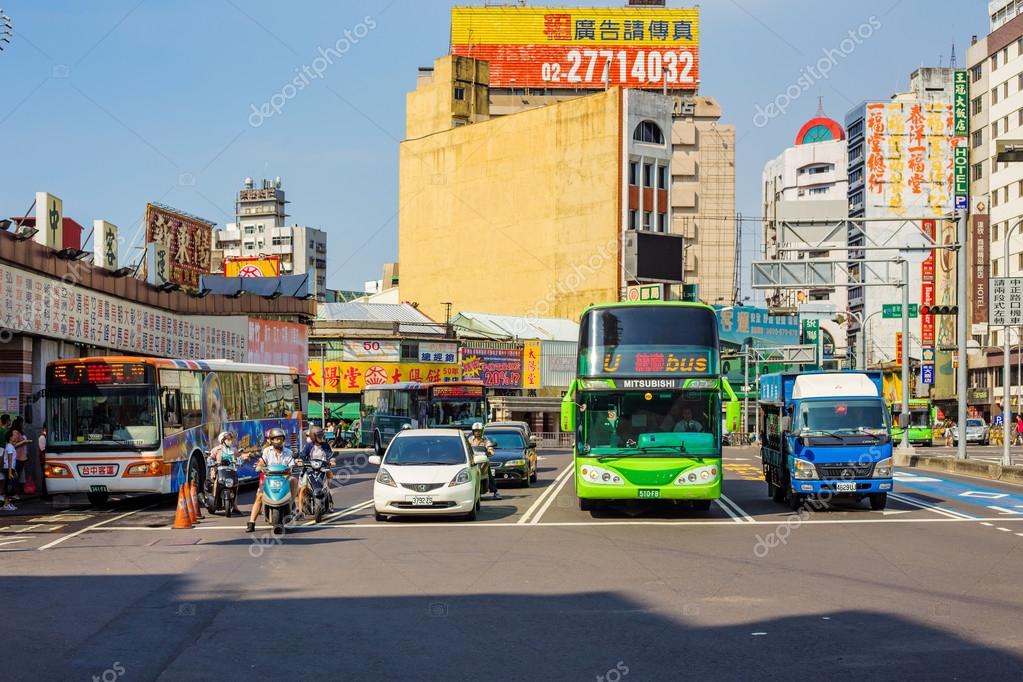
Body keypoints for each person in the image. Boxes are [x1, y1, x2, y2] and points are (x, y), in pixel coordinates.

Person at [246, 428, 298, 533]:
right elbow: (261, 462)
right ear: (271, 440)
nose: (278, 441)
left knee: (294, 480)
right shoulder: (266, 451)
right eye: (276, 439)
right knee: (260, 496)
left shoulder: (288, 452)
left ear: (283, 440)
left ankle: (290, 504)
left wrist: (294, 466)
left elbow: (291, 466)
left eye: (280, 439)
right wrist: (259, 467)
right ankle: (251, 522)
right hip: (269, 478)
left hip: (284, 479)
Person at [296, 425, 336, 514]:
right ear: (313, 437)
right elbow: (302, 456)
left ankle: (328, 497)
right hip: (309, 469)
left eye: (322, 435)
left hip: (323, 468)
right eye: (319, 436)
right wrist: (300, 461)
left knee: (329, 474)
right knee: (302, 488)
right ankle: (299, 510)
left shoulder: (325, 445)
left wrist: (332, 461)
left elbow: (330, 455)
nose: (321, 438)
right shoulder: (309, 446)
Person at [209, 431, 246, 514]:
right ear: (222, 440)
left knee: (236, 485)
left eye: (230, 439)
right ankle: (214, 501)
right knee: (216, 483)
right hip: (219, 471)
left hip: (231, 471)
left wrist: (242, 459)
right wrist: (211, 461)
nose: (230, 441)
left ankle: (235, 506)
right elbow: (210, 457)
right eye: (228, 439)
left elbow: (238, 457)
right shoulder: (217, 449)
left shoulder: (233, 450)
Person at [468, 422, 499, 500]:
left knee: (489, 472)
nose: (477, 432)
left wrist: (489, 452)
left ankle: (495, 492)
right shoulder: (470, 440)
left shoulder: (485, 440)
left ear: (482, 431)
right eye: (475, 431)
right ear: (473, 431)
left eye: (479, 431)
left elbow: (490, 448)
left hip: (483, 461)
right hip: (473, 461)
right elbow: (466, 447)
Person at [8, 417, 28, 500]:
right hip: (17, 457)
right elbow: (13, 445)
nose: (23, 424)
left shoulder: (19, 432)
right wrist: (24, 442)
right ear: (19, 423)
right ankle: (13, 493)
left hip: (22, 457)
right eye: (22, 422)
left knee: (18, 475)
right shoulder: (15, 432)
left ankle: (14, 492)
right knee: (15, 476)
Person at [1, 432, 16, 511]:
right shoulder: (10, 447)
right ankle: (6, 504)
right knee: (8, 486)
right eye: (13, 436)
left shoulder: (10, 446)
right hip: (8, 468)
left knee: (9, 486)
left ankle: (8, 503)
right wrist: (10, 472)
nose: (15, 437)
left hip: (10, 468)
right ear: (10, 438)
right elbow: (10, 460)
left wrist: (14, 470)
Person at [37, 424, 47, 497]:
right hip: (44, 460)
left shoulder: (46, 436)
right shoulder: (42, 437)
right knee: (45, 476)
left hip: (46, 459)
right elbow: (42, 449)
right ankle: (44, 494)